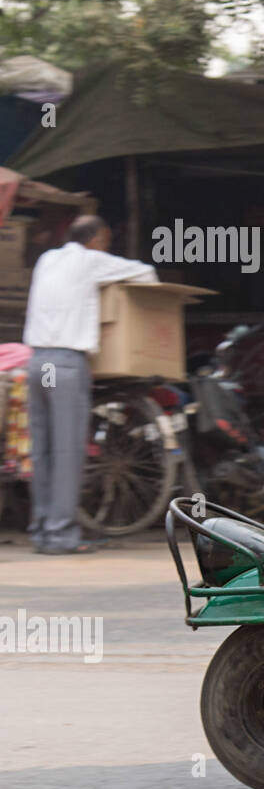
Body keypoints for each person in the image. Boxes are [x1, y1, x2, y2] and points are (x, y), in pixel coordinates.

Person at [23, 215, 159, 554]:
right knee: (67, 452)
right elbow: (146, 273)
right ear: (97, 238)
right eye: (107, 239)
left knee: (43, 451)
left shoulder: (47, 259)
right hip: (66, 364)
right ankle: (61, 535)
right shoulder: (90, 260)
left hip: (39, 363)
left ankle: (41, 530)